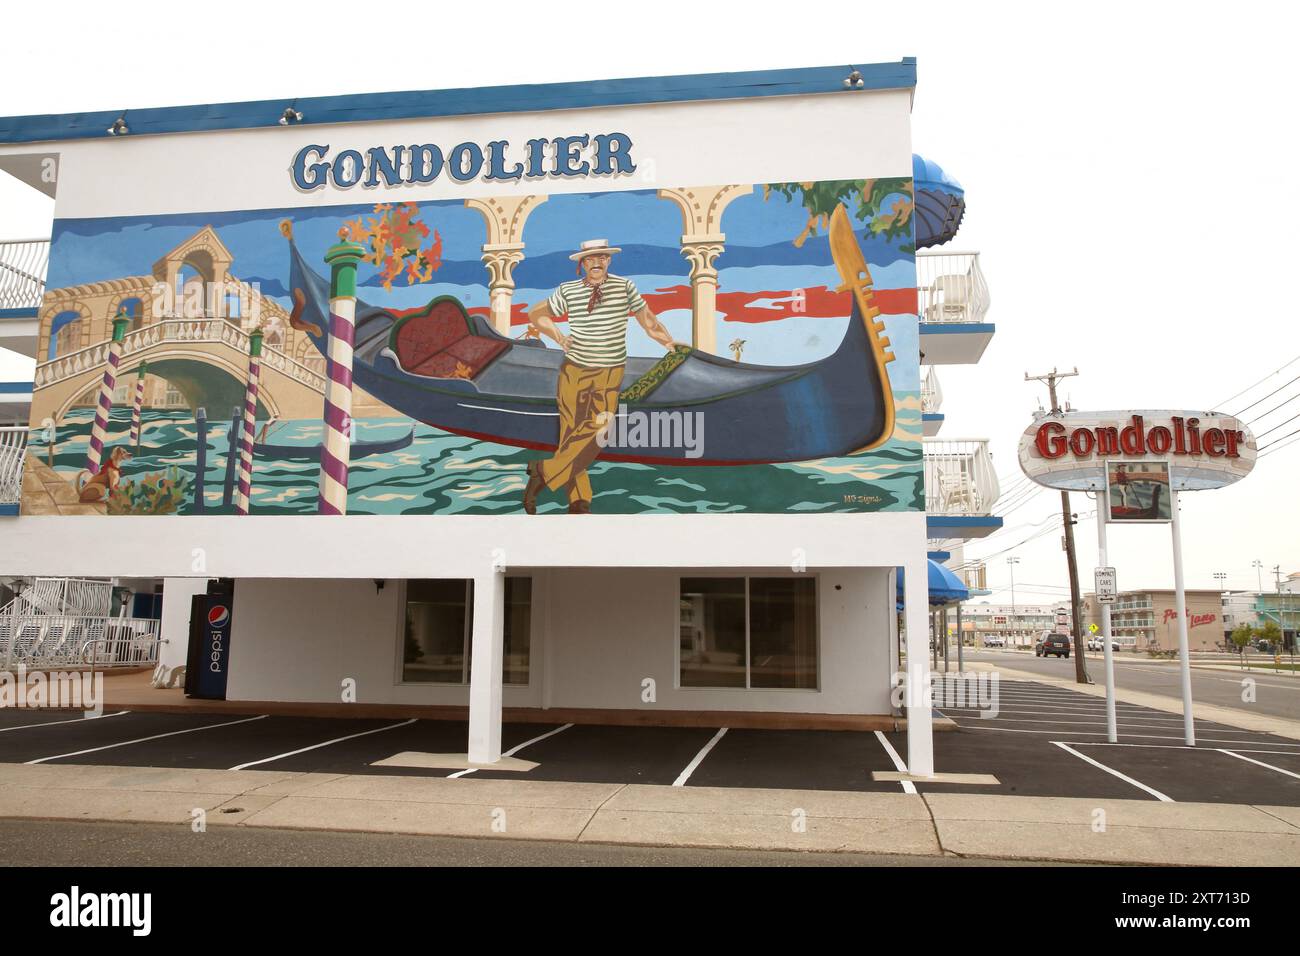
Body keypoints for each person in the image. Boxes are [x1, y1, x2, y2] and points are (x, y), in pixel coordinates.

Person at [522, 239, 675, 514]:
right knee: (571, 436)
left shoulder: (624, 287)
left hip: (610, 371)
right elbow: (536, 313)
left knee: (600, 430)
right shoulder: (568, 290)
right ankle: (579, 501)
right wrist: (558, 336)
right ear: (582, 263)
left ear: (609, 260)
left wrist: (669, 343)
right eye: (591, 258)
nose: (597, 262)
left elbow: (647, 320)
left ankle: (543, 471)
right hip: (574, 370)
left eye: (602, 257)